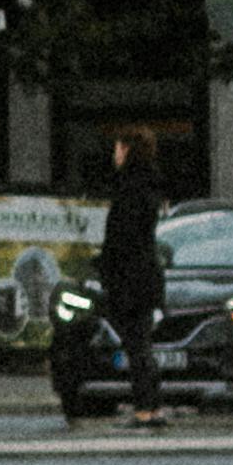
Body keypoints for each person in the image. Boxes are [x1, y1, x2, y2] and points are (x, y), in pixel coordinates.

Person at [99, 128, 168, 427]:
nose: (114, 154)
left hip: (129, 278)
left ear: (127, 150)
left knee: (136, 345)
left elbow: (122, 235)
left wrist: (104, 264)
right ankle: (151, 406)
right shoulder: (150, 185)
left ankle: (144, 408)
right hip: (145, 275)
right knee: (141, 343)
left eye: (117, 147)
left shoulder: (129, 187)